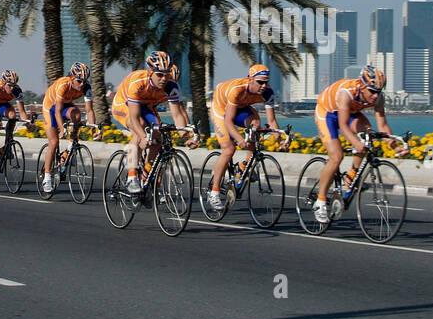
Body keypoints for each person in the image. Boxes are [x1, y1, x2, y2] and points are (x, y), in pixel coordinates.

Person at [310, 65, 408, 224]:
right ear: (362, 86)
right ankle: (320, 202)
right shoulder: (346, 92)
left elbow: (382, 126)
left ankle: (351, 176)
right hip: (327, 113)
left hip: (350, 113)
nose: (375, 96)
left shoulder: (378, 98)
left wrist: (395, 147)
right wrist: (356, 143)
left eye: (379, 92)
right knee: (336, 156)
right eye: (372, 91)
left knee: (368, 134)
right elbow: (343, 126)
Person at [204, 64, 290, 211]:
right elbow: (228, 121)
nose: (264, 86)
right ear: (250, 79)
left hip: (240, 106)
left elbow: (271, 121)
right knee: (229, 150)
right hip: (221, 109)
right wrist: (239, 139)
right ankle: (214, 192)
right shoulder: (237, 89)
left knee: (256, 124)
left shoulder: (268, 93)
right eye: (260, 82)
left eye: (266, 82)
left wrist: (280, 140)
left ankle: (245, 166)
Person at [111, 52, 198, 194]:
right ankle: (131, 177)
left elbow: (177, 115)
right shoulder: (138, 82)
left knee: (158, 139)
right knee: (140, 132)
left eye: (167, 74)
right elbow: (134, 117)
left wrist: (185, 138)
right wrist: (143, 136)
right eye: (159, 74)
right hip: (124, 104)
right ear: (150, 72)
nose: (164, 78)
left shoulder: (171, 86)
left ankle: (146, 178)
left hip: (147, 106)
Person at [39, 62, 98, 192]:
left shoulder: (86, 88)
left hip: (65, 105)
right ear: (71, 78)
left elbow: (89, 110)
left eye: (84, 81)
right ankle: (47, 177)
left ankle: (70, 147)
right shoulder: (63, 84)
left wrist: (94, 129)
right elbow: (57, 111)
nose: (82, 84)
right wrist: (62, 129)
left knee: (77, 115)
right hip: (50, 107)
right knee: (54, 142)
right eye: (79, 81)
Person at [0, 70, 32, 186]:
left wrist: (28, 124)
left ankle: (7, 143)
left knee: (13, 116)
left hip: (3, 104)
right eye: (9, 85)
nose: (12, 88)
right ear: (3, 83)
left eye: (14, 85)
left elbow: (22, 112)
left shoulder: (17, 90)